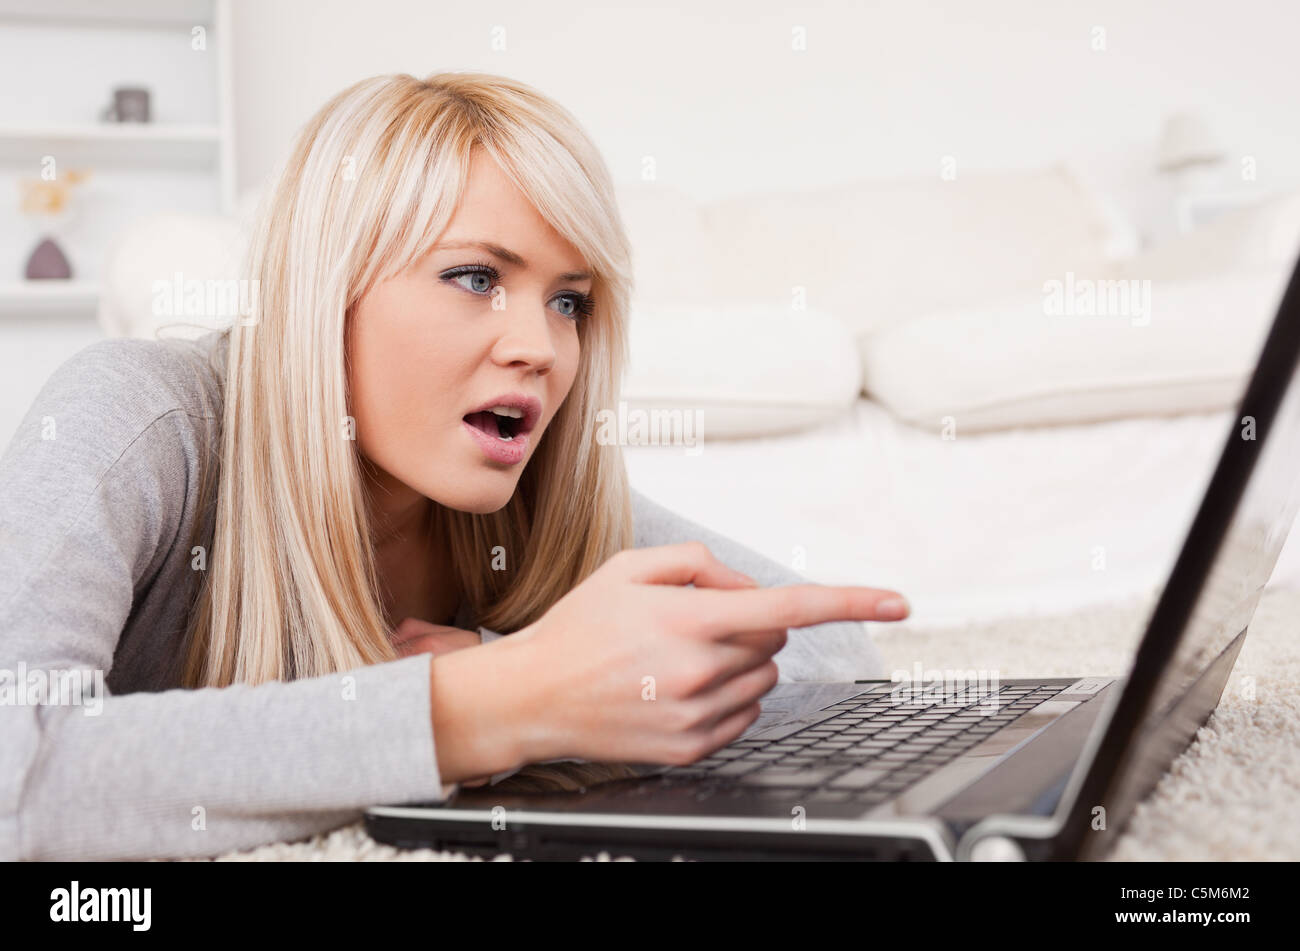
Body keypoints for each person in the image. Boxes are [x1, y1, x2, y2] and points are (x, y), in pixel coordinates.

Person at [0, 71, 908, 861]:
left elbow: (833, 654)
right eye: (476, 276)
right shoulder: (142, 414)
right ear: (329, 289)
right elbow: (14, 763)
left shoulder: (540, 493)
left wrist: (505, 658)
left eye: (570, 301)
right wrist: (488, 704)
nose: (543, 348)